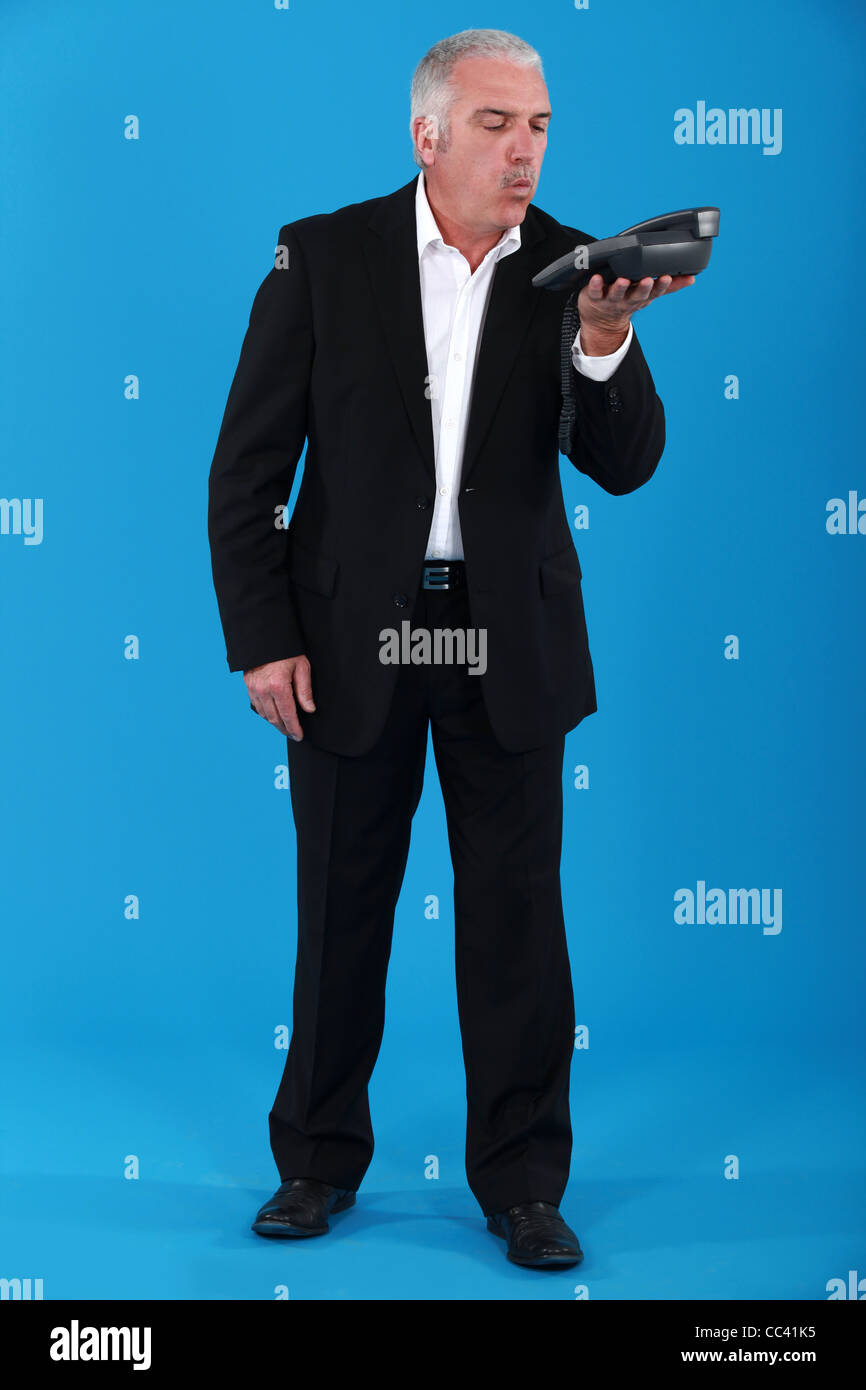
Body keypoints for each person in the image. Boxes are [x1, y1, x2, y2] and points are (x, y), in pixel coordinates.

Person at [207, 27, 693, 1270]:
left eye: (536, 125)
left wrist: (602, 339)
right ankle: (314, 1163)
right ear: (425, 132)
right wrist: (262, 640)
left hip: (508, 641)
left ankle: (523, 1184)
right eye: (493, 123)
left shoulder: (581, 272)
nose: (521, 148)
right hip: (348, 638)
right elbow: (247, 469)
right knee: (339, 911)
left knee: (517, 922)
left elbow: (625, 464)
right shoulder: (320, 258)